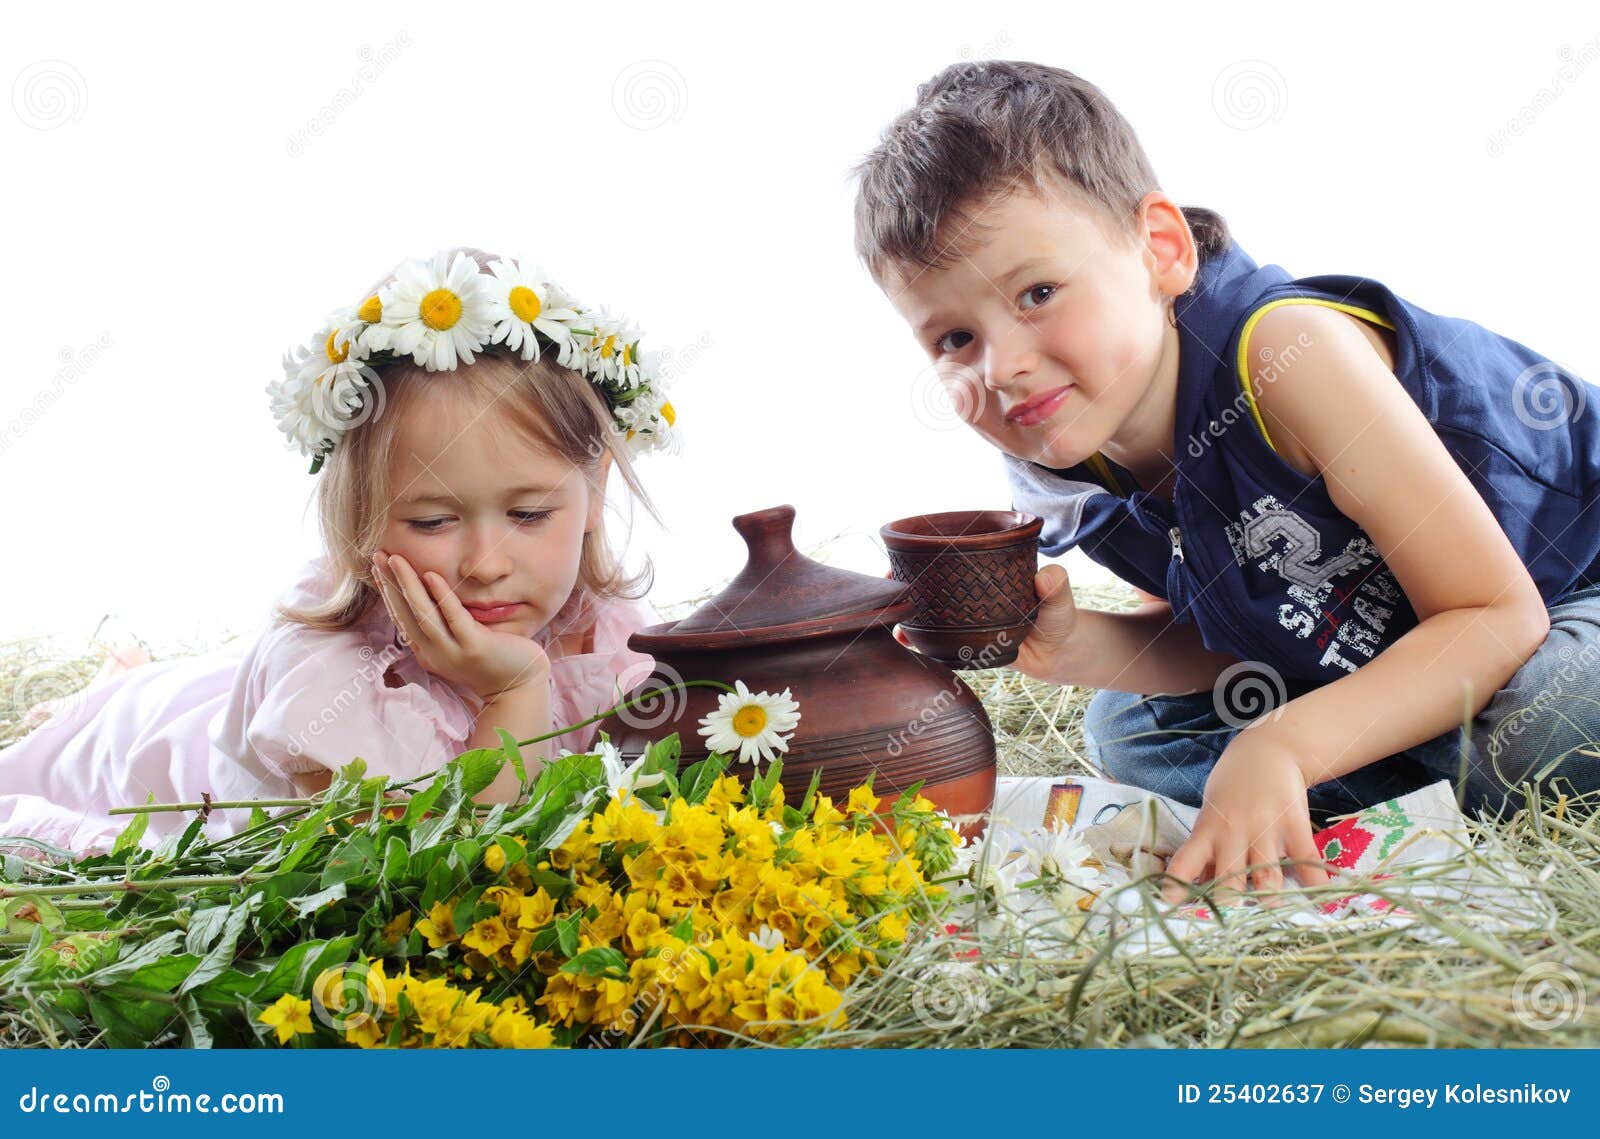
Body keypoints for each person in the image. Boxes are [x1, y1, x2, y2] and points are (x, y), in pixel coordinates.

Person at [852, 60, 1600, 895]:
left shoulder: (1286, 356)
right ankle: (1366, 765)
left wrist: (1282, 744)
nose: (1003, 368)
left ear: (1161, 251)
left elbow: (1494, 614)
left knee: (1545, 724)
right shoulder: (1064, 451)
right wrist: (1077, 645)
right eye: (954, 339)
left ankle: (1341, 767)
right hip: (1382, 645)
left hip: (1556, 590)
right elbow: (1232, 632)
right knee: (1127, 731)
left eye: (1038, 292)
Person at [0, 247, 675, 856]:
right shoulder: (331, 684)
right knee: (101, 740)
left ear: (595, 488)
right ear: (357, 516)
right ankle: (97, 702)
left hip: (216, 694)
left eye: (528, 514)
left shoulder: (600, 625)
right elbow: (440, 865)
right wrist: (513, 689)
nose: (487, 563)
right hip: (170, 764)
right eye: (433, 520)